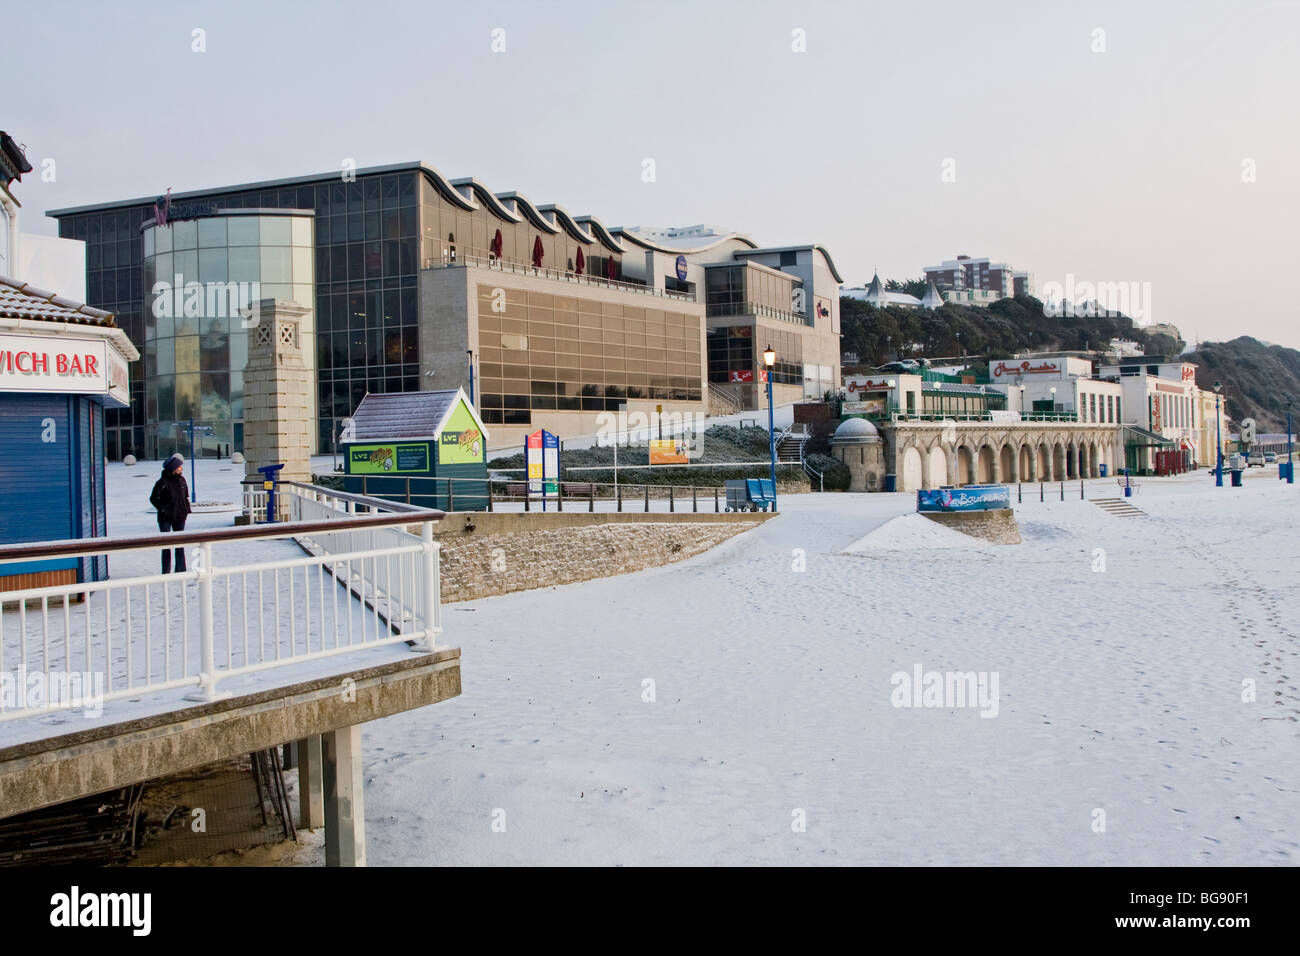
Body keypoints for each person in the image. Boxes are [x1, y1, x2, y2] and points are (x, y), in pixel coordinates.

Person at [150, 454, 191, 573]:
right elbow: (153, 498)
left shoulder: (182, 480)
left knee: (180, 543)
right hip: (165, 517)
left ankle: (181, 570)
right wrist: (164, 509)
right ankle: (166, 571)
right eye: (179, 466)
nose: (181, 468)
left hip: (179, 515)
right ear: (173, 468)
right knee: (166, 544)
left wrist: (186, 509)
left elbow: (185, 496)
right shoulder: (162, 482)